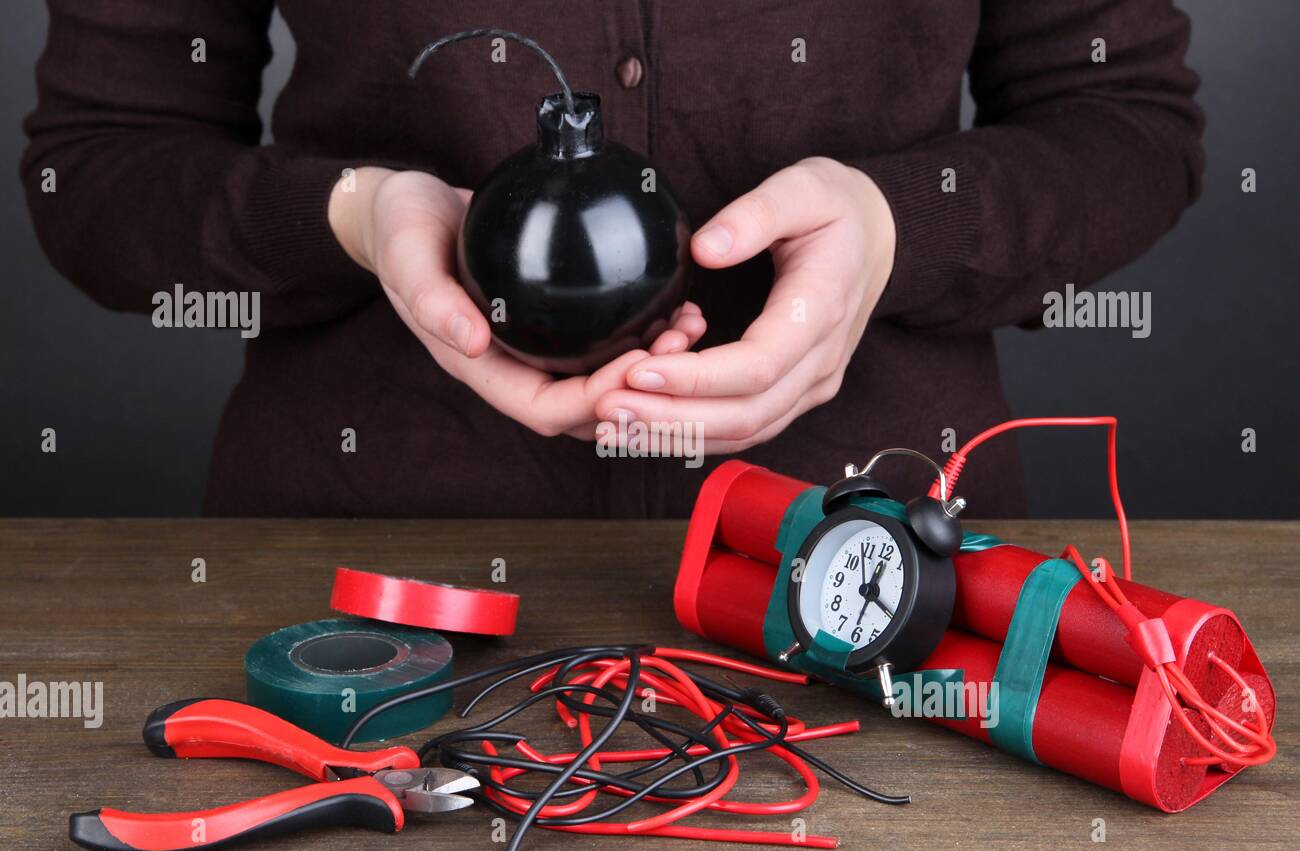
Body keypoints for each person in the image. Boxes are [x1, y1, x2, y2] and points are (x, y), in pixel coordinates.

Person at [22, 1, 1203, 518]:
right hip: (364, 591)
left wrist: (902, 228)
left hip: (888, 575)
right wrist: (351, 217)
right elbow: (99, 166)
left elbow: (1128, 124)